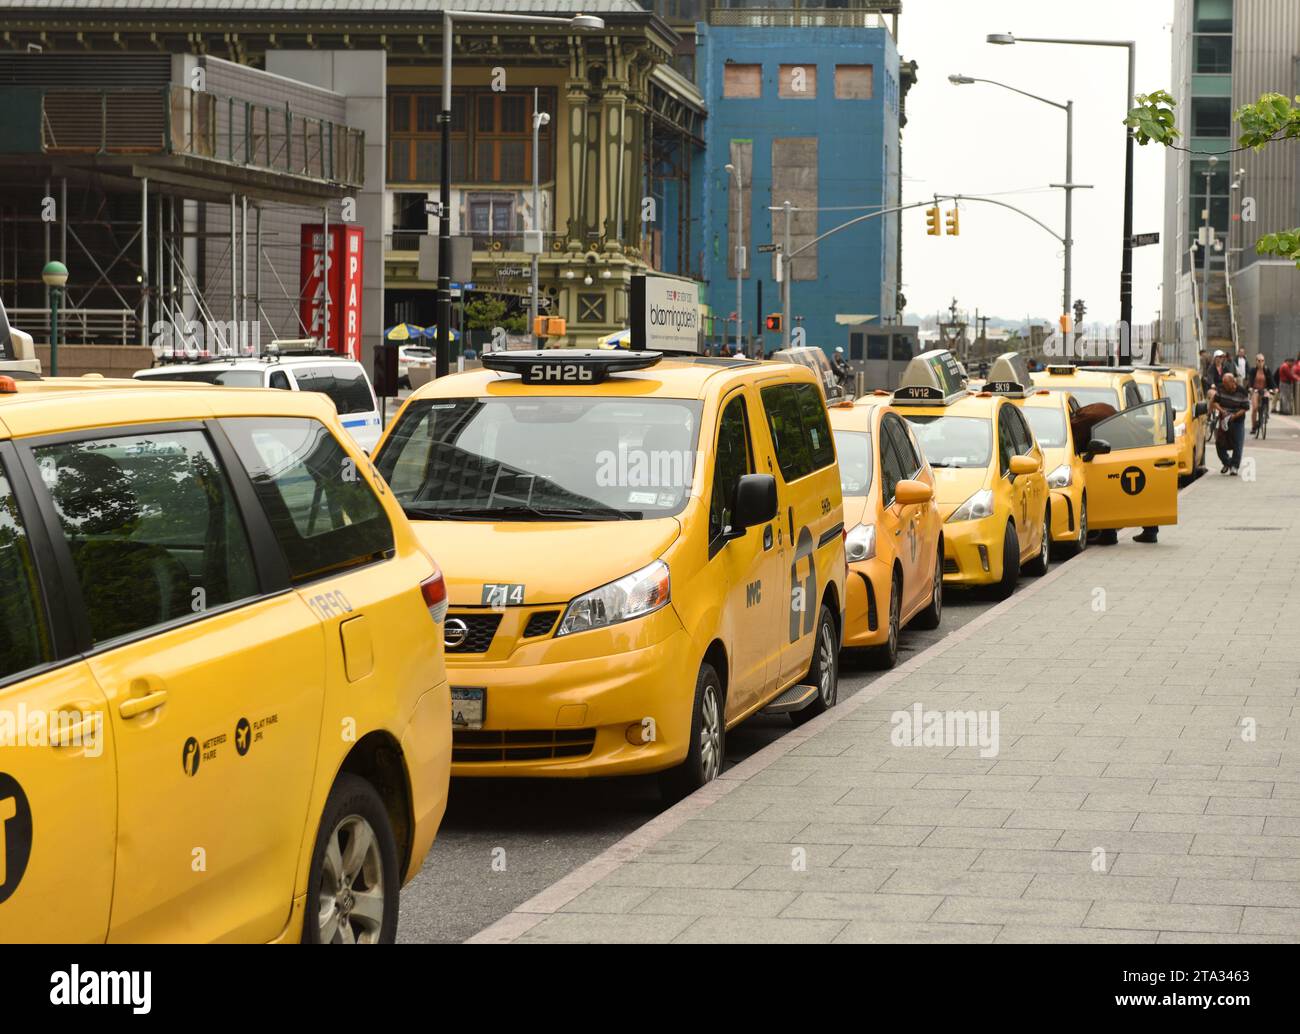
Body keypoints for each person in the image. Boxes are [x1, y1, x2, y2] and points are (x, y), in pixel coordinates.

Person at [1212, 371, 1249, 475]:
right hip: (1224, 418)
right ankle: (1227, 462)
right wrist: (1222, 411)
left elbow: (1245, 408)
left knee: (1238, 443)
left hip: (1237, 419)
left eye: (1227, 384)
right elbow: (1215, 402)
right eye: (1224, 384)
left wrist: (1235, 416)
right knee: (1219, 442)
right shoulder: (1221, 388)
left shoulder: (1242, 391)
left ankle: (1234, 466)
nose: (1225, 387)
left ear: (1233, 382)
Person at [1247, 353, 1275, 432]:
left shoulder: (1266, 370)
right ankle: (1253, 426)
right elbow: (1250, 380)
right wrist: (1250, 388)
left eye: (1262, 361)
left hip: (1264, 389)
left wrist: (1274, 388)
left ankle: (1265, 413)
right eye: (1259, 361)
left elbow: (1271, 380)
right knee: (1255, 408)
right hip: (1255, 390)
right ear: (1256, 361)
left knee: (1267, 396)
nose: (1260, 363)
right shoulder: (1253, 370)